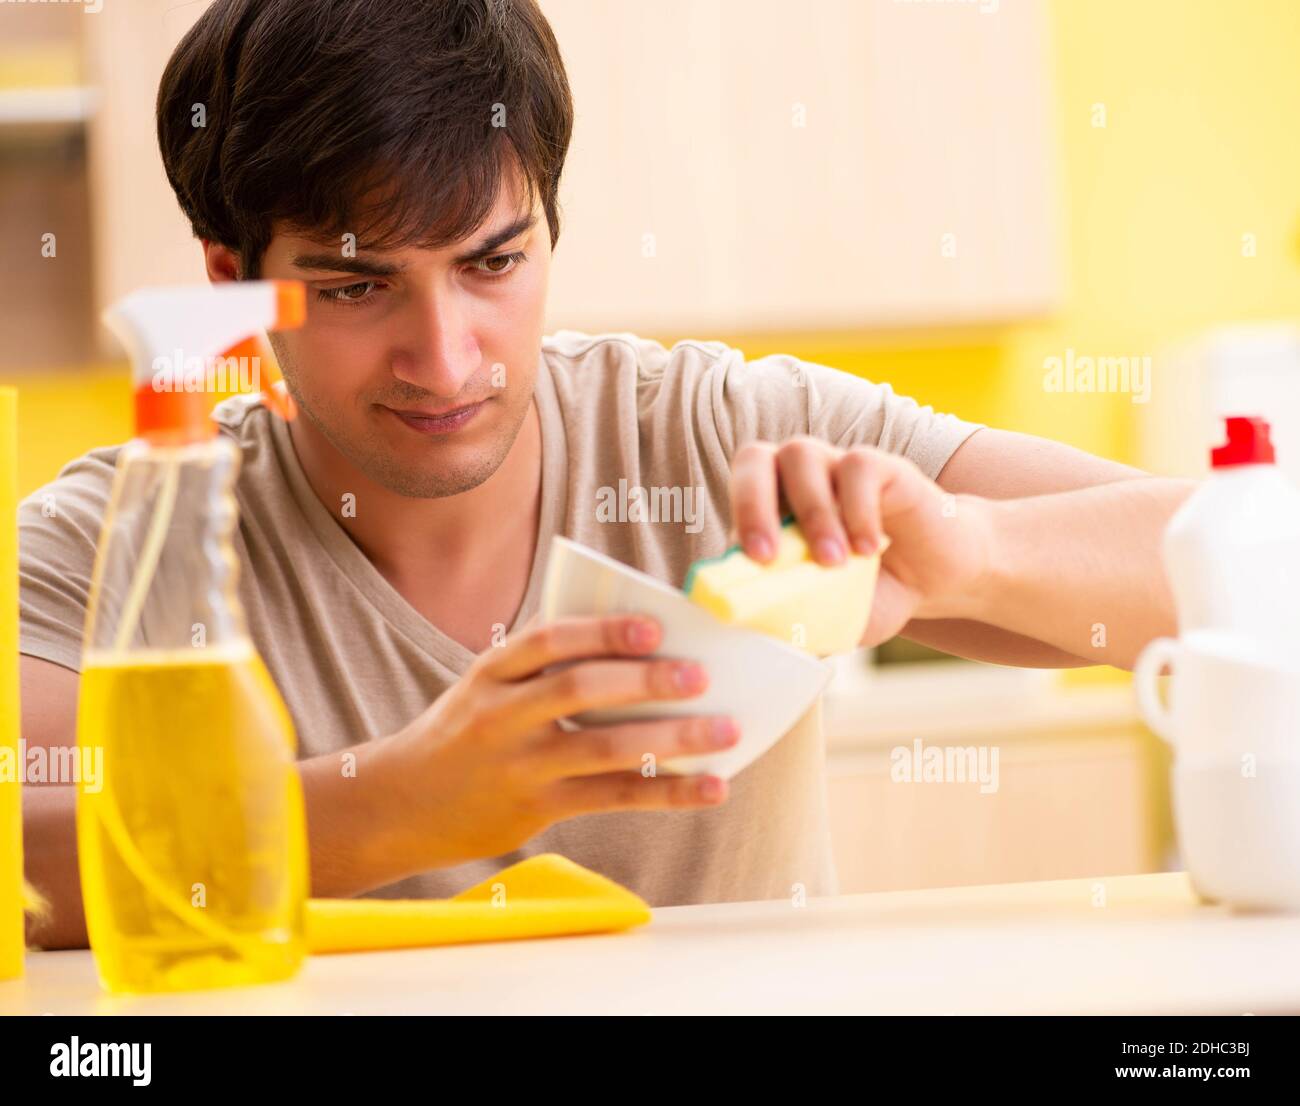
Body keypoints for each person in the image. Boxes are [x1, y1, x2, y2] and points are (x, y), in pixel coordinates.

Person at [18, 0, 1188, 949]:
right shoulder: (119, 531)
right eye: (355, 285)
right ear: (231, 279)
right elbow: (29, 854)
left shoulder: (716, 427)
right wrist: (394, 802)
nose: (446, 357)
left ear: (548, 231)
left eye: (493, 262)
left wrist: (971, 555)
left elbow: (1243, 562)